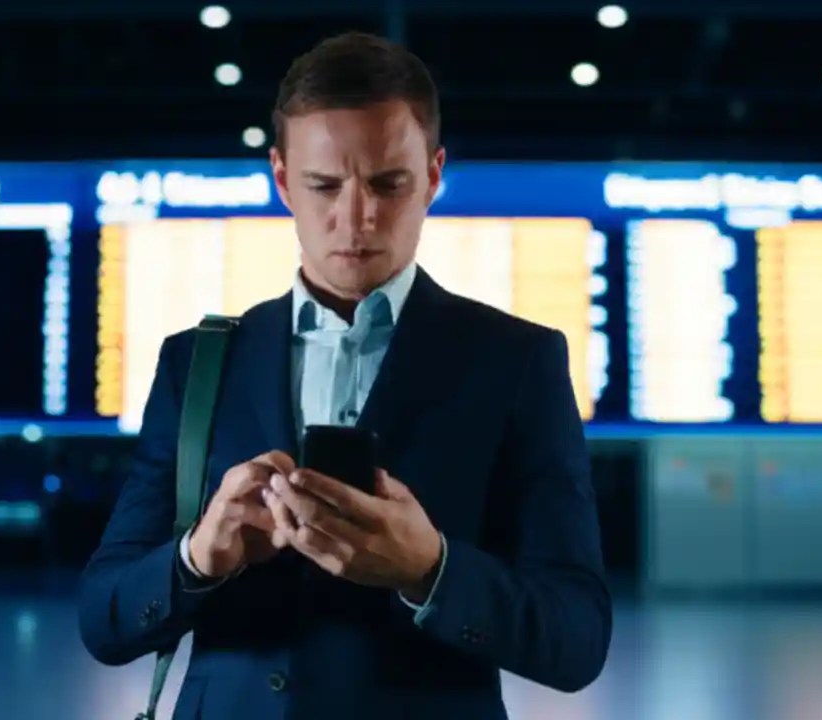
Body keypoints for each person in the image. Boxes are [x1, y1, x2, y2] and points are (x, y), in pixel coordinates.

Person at [79, 30, 612, 720]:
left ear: (433, 176)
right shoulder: (199, 362)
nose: (355, 217)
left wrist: (431, 569)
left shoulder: (516, 361)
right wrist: (197, 557)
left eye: (388, 183)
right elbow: (104, 617)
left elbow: (578, 638)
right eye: (324, 185)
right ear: (280, 181)